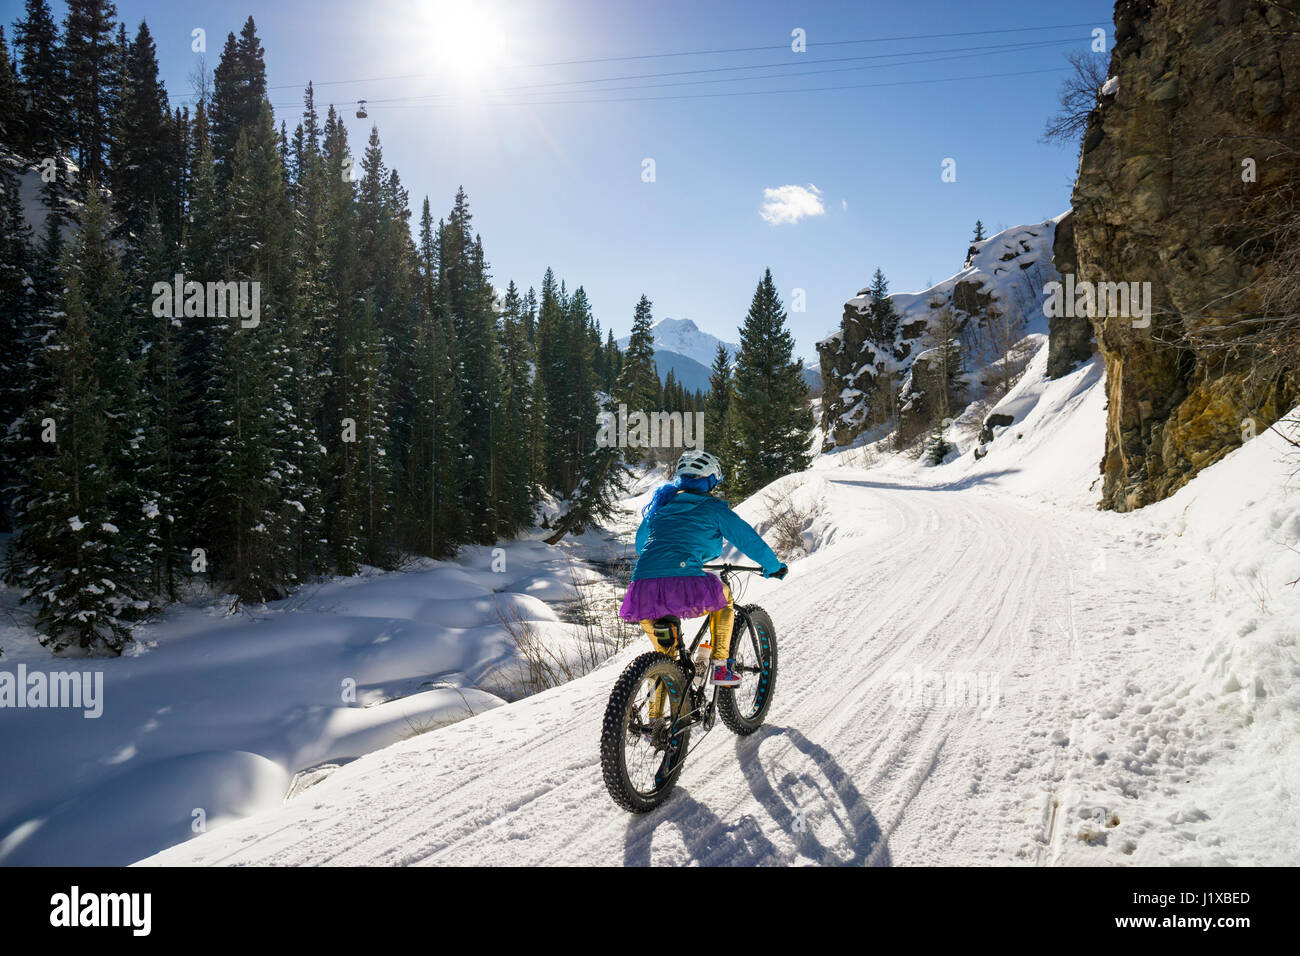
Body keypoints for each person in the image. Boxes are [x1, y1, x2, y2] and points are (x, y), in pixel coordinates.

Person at [619, 449, 787, 709]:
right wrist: (772, 566)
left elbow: (642, 546)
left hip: (642, 587)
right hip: (683, 580)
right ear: (711, 481)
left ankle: (655, 722)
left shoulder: (660, 507)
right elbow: (747, 539)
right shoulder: (712, 508)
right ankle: (721, 667)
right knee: (724, 599)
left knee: (665, 656)